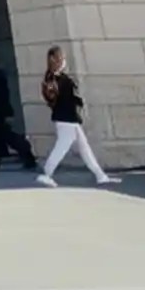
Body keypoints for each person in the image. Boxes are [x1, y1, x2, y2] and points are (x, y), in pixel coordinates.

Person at [36, 46, 120, 188]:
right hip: (66, 118)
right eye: (62, 58)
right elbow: (63, 96)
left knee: (84, 148)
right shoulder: (57, 78)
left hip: (68, 118)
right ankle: (46, 174)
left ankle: (100, 175)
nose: (64, 61)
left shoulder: (54, 77)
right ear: (57, 59)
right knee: (61, 147)